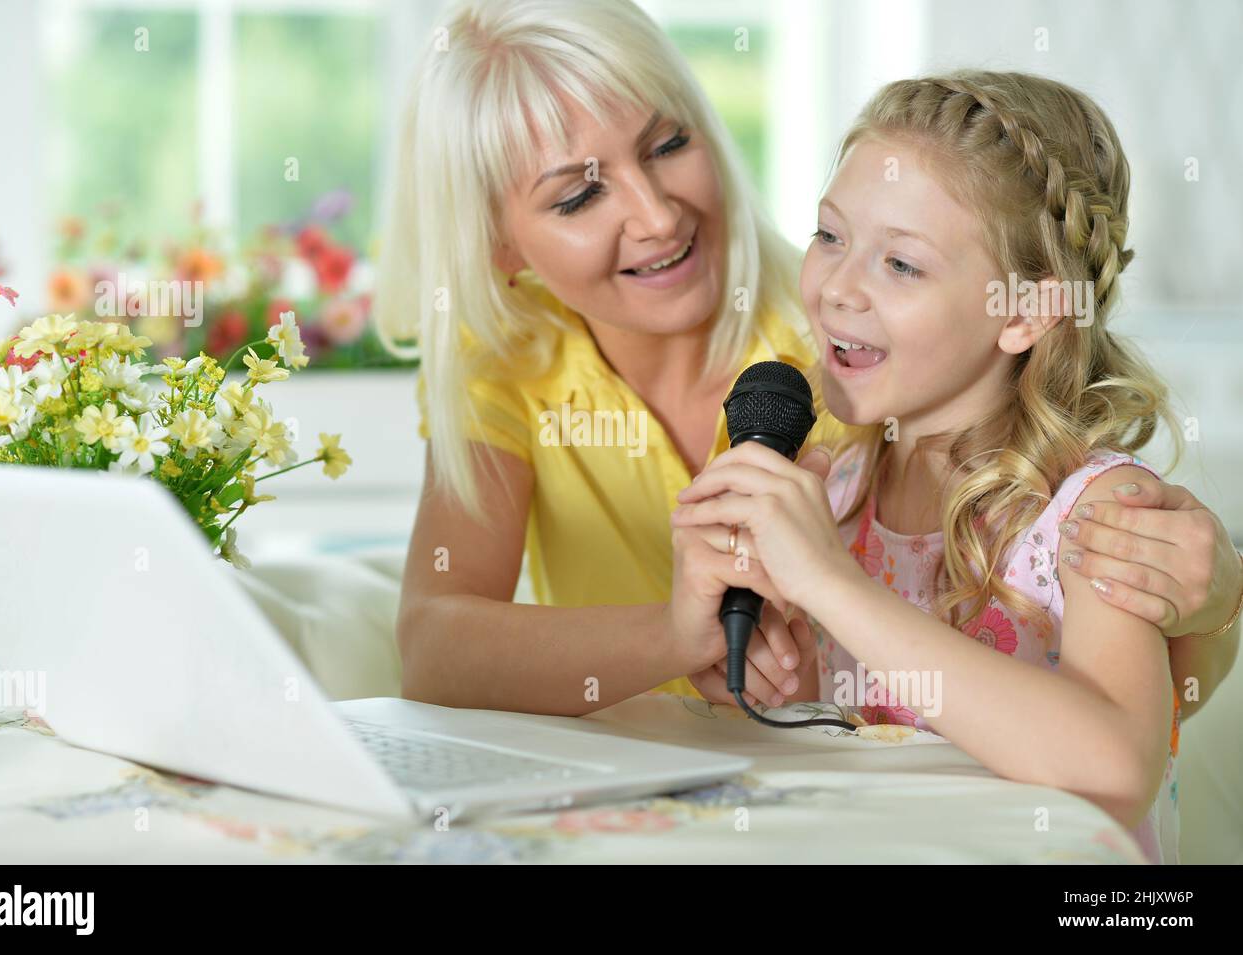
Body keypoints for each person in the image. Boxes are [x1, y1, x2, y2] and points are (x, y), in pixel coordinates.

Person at [377, 0, 1241, 723]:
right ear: (497, 244)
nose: (658, 216)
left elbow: (1117, 718)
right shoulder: (510, 360)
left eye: (669, 145)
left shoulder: (855, 353)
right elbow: (435, 646)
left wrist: (1218, 603)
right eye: (578, 194)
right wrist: (680, 638)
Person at [672, 71, 1242, 863]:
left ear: (1025, 312)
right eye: (829, 235)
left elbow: (1113, 770)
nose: (836, 288)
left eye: (901, 265)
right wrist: (781, 681)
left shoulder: (1096, 512)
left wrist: (831, 582)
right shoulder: (837, 490)